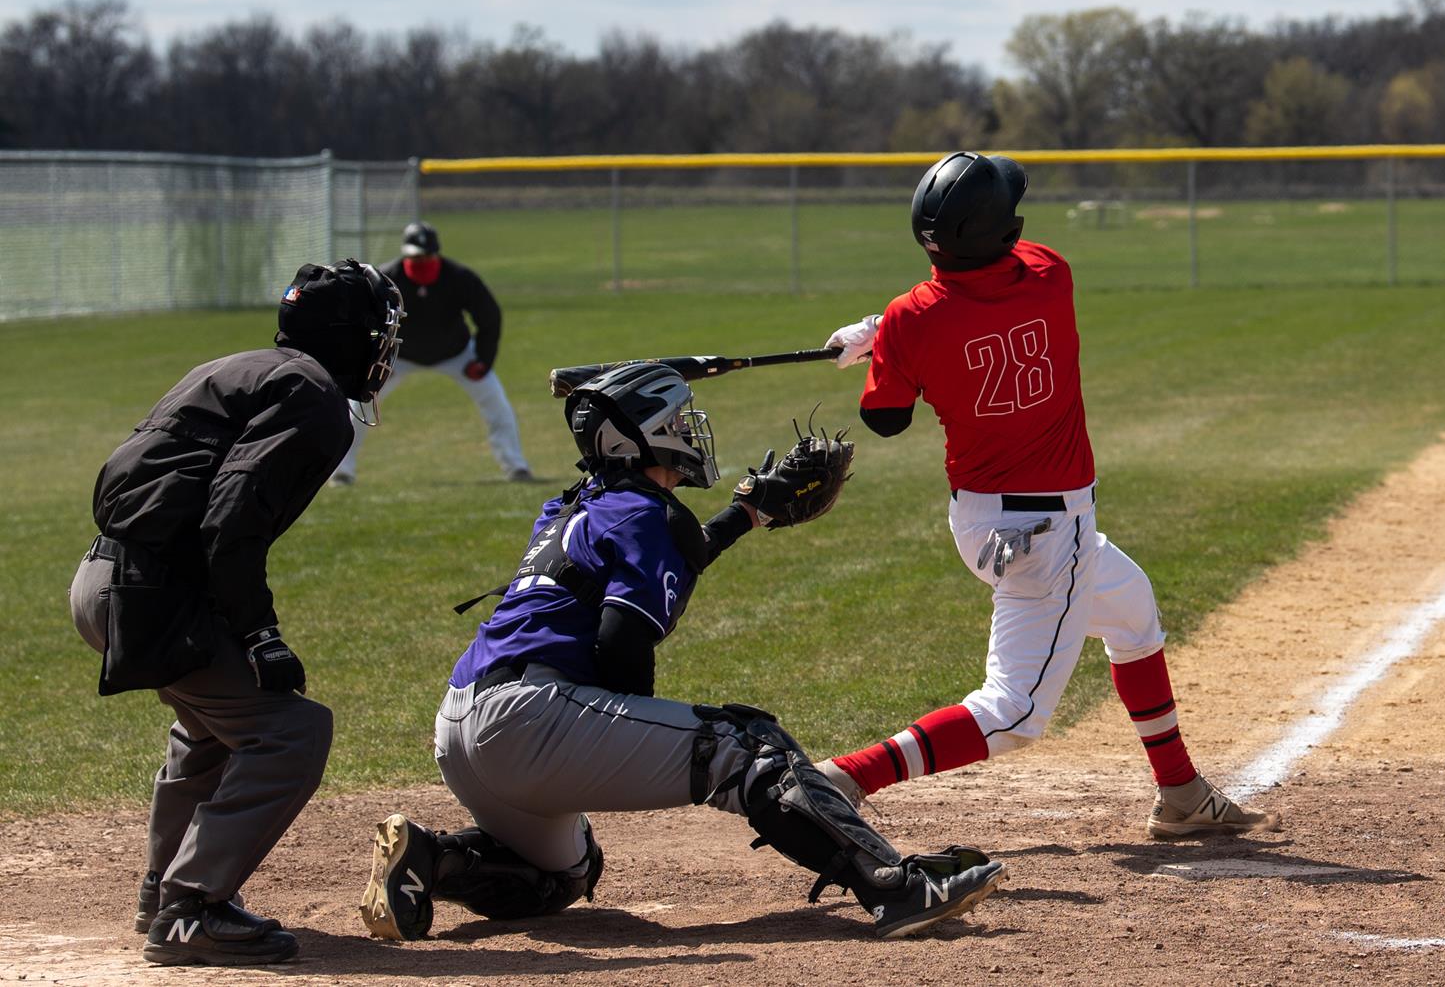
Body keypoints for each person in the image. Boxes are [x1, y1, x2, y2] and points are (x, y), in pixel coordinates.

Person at [359, 361, 1006, 944]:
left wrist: (746, 516)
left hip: (463, 727)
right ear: (639, 437)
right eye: (677, 422)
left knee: (561, 875)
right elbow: (622, 640)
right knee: (748, 746)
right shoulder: (646, 510)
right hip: (532, 723)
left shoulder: (573, 508)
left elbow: (662, 556)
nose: (691, 432)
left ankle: (429, 859)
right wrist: (635, 734)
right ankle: (892, 887)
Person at [814, 152, 1278, 840]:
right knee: (1014, 712)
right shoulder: (1050, 274)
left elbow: (887, 418)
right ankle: (844, 779)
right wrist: (889, 328)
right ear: (1001, 230)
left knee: (1130, 612)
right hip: (1044, 534)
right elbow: (985, 293)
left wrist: (884, 337)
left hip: (986, 520)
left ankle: (1180, 792)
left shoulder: (914, 318)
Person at [71, 260, 403, 966]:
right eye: (379, 334)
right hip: (151, 589)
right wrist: (260, 633)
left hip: (107, 574)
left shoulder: (245, 366)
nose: (386, 350)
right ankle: (192, 908)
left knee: (211, 724)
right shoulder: (313, 395)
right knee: (290, 732)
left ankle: (165, 889)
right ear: (350, 339)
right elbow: (230, 519)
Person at [333, 220, 531, 484]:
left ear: (437, 253)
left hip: (457, 354)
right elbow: (365, 322)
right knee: (359, 406)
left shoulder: (460, 278)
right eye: (415, 257)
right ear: (405, 254)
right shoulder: (386, 279)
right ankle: (341, 471)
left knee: (497, 404)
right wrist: (375, 359)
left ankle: (516, 467)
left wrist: (483, 360)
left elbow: (489, 317)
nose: (421, 261)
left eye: (427, 256)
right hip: (397, 356)